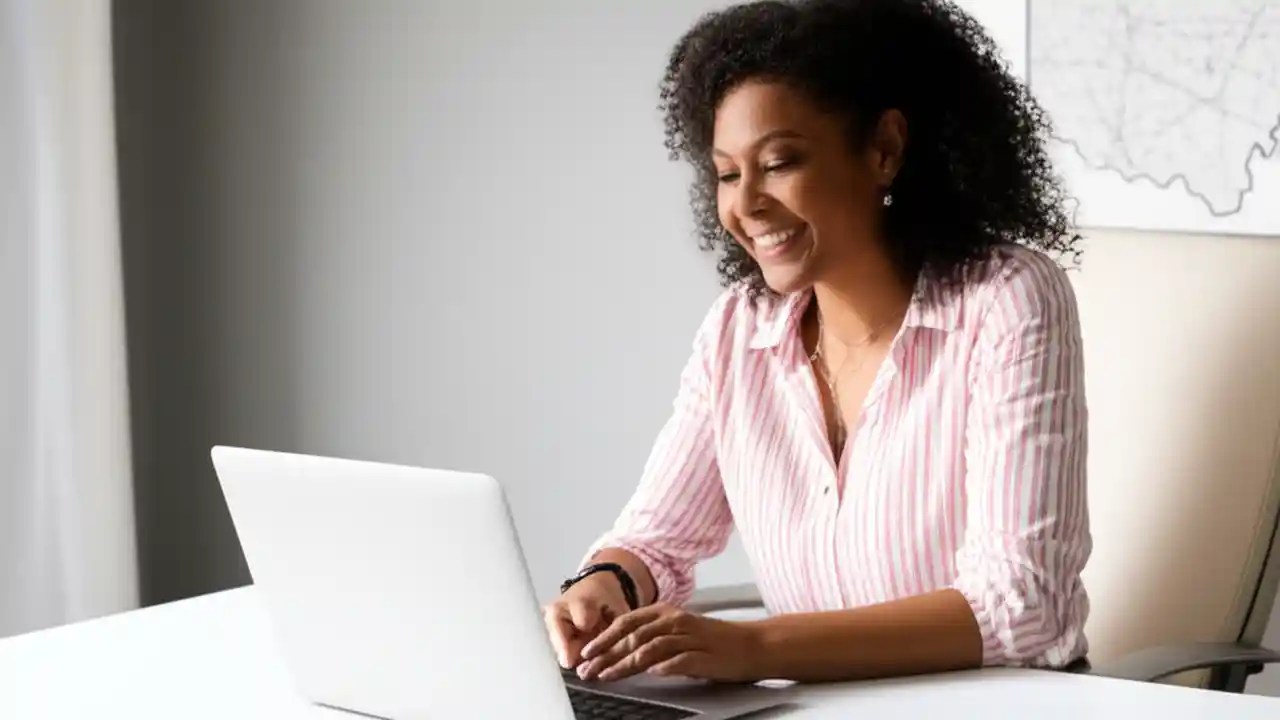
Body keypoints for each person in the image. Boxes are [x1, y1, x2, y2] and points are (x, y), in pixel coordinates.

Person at [545, 0, 1089, 684]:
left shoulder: (1004, 299)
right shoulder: (739, 329)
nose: (746, 204)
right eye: (727, 174)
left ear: (884, 150)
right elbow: (656, 540)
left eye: (778, 163)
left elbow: (1023, 601)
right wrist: (605, 583)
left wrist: (757, 648)